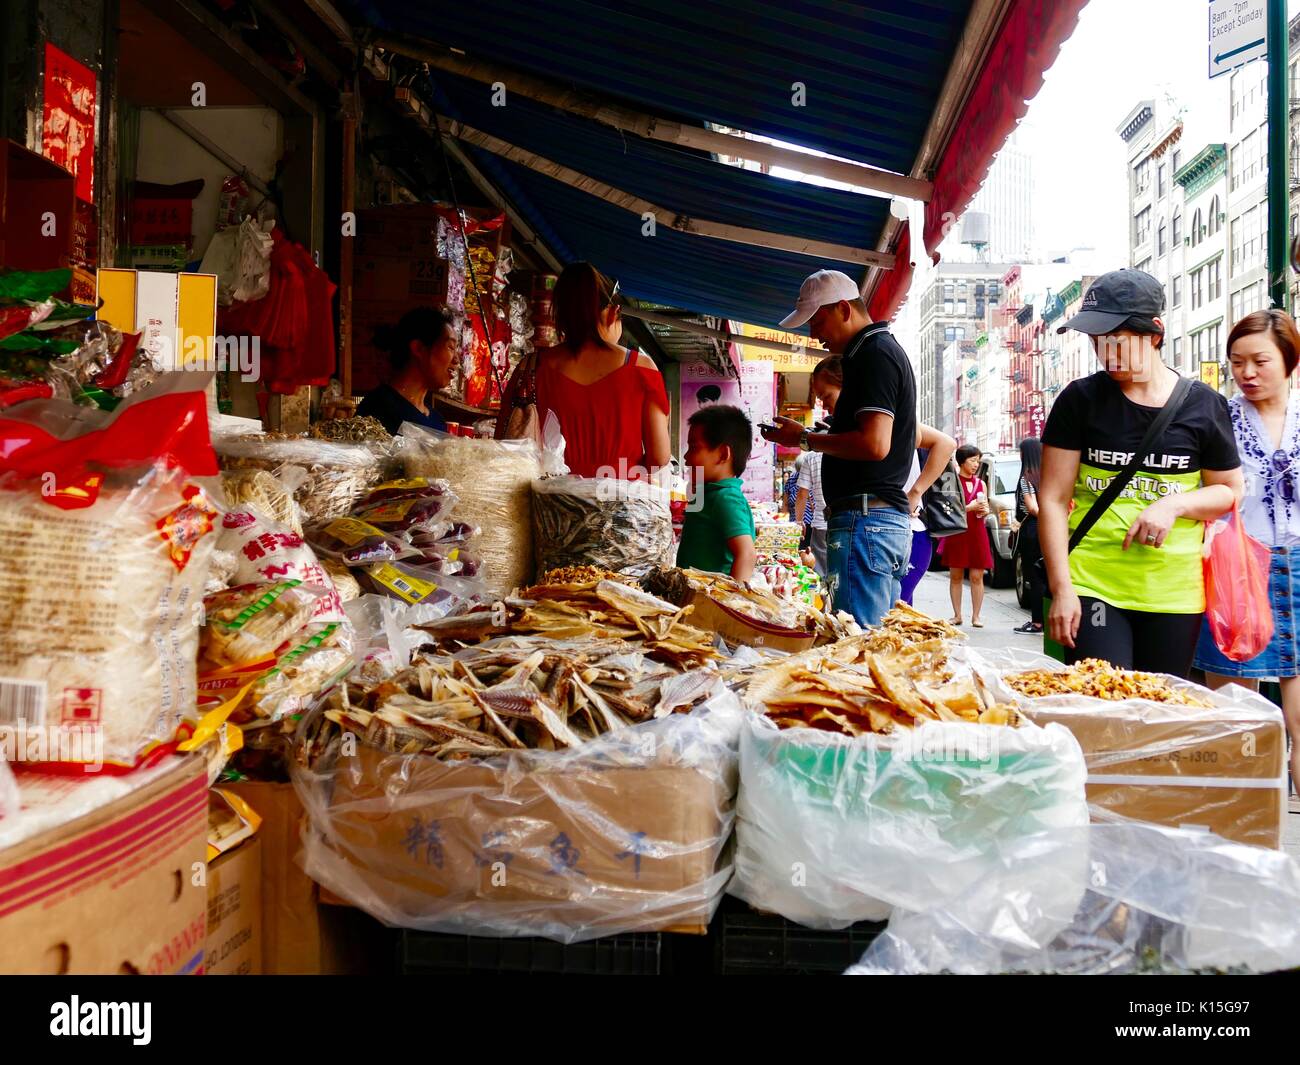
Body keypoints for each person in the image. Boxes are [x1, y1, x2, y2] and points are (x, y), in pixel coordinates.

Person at [1040, 268, 1242, 676]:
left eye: (1116, 339)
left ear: (1154, 333)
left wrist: (1175, 504)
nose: (1105, 351)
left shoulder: (1204, 406)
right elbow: (1053, 498)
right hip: (1093, 584)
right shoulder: (1079, 401)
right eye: (1097, 340)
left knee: (1158, 714)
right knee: (1104, 707)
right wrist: (1062, 590)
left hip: (1174, 593)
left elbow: (1229, 492)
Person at [1192, 310, 1300, 793]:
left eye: (1260, 361)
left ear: (1289, 360)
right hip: (1239, 568)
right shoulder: (1218, 417)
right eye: (1237, 362)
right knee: (1237, 710)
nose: (1247, 373)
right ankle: (1243, 817)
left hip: (1297, 563)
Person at [496, 262, 670, 478]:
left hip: (548, 504)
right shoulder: (642, 368)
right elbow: (659, 458)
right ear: (613, 313)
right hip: (617, 503)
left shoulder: (530, 366)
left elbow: (504, 440)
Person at [677, 405, 757, 581]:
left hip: (711, 602)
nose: (686, 457)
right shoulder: (709, 493)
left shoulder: (725, 498)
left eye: (694, 448)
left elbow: (747, 554)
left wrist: (731, 601)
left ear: (723, 454)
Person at [357, 306, 457, 434]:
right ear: (419, 349)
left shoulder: (437, 421)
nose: (457, 360)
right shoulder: (378, 409)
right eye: (451, 347)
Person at [937, 445, 993, 626]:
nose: (976, 464)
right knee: (956, 576)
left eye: (978, 460)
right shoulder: (951, 482)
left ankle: (976, 616)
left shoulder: (981, 484)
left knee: (977, 576)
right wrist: (970, 508)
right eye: (972, 460)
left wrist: (985, 510)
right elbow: (947, 509)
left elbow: (985, 509)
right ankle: (957, 614)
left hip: (977, 532)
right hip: (957, 533)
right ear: (962, 461)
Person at [1013, 437, 1044, 635]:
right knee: (1047, 574)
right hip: (1050, 529)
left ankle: (1037, 622)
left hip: (1033, 529)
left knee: (1034, 576)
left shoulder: (1027, 477)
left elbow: (1031, 507)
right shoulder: (1048, 475)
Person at [793, 449, 827, 574]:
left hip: (821, 522)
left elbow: (802, 493)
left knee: (820, 571)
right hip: (846, 520)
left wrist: (799, 521)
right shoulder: (846, 451)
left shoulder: (811, 458)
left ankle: (824, 592)